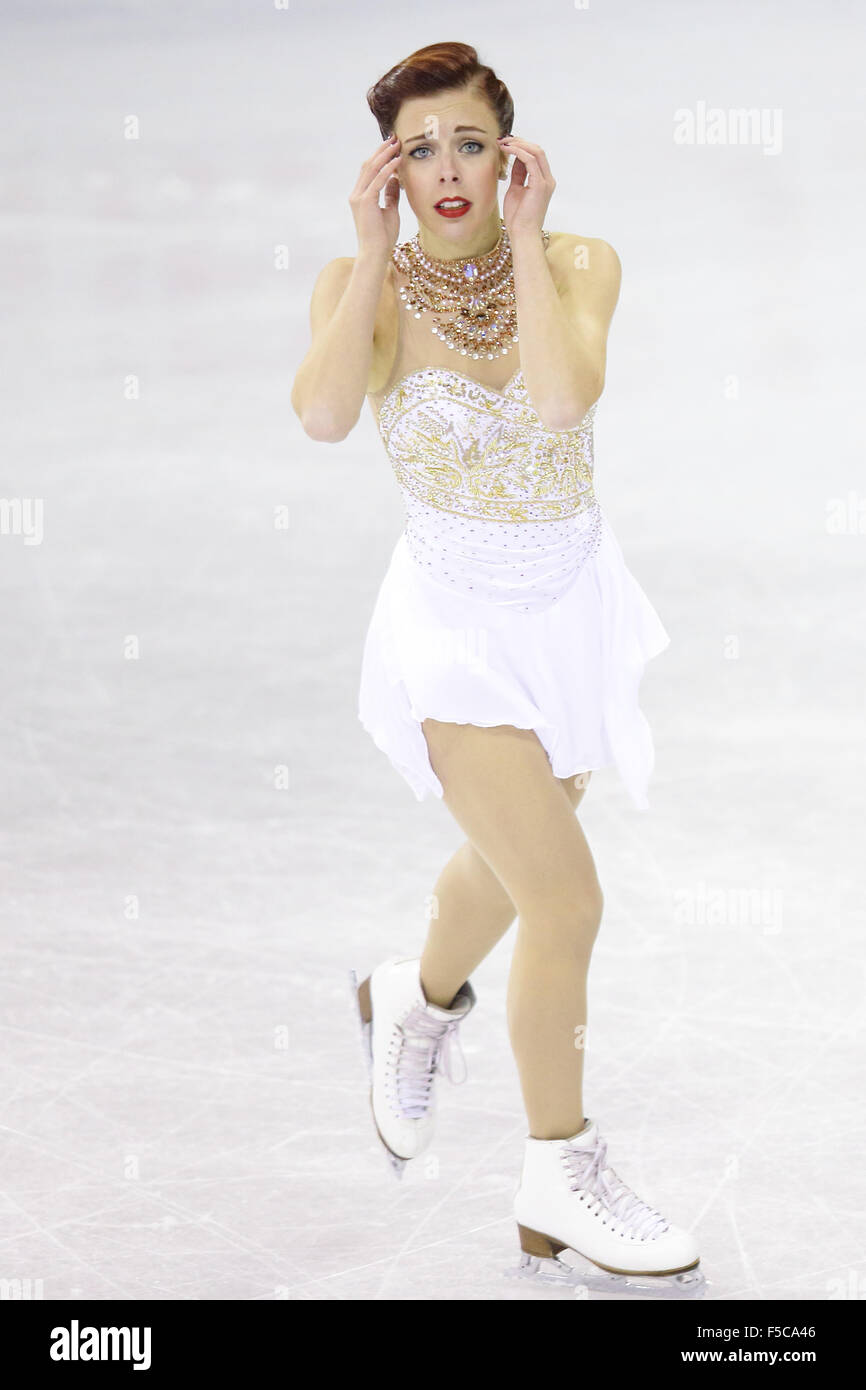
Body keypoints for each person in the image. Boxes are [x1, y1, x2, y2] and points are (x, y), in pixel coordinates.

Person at [292, 41, 703, 1297]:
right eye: (418, 149)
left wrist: (525, 238)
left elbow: (564, 396)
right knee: (565, 897)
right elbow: (319, 416)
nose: (447, 170)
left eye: (468, 142)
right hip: (455, 623)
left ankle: (411, 995)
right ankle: (555, 1173)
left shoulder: (579, 263)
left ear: (510, 151)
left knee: (520, 866)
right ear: (389, 171)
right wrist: (369, 258)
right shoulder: (353, 284)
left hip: (567, 607)